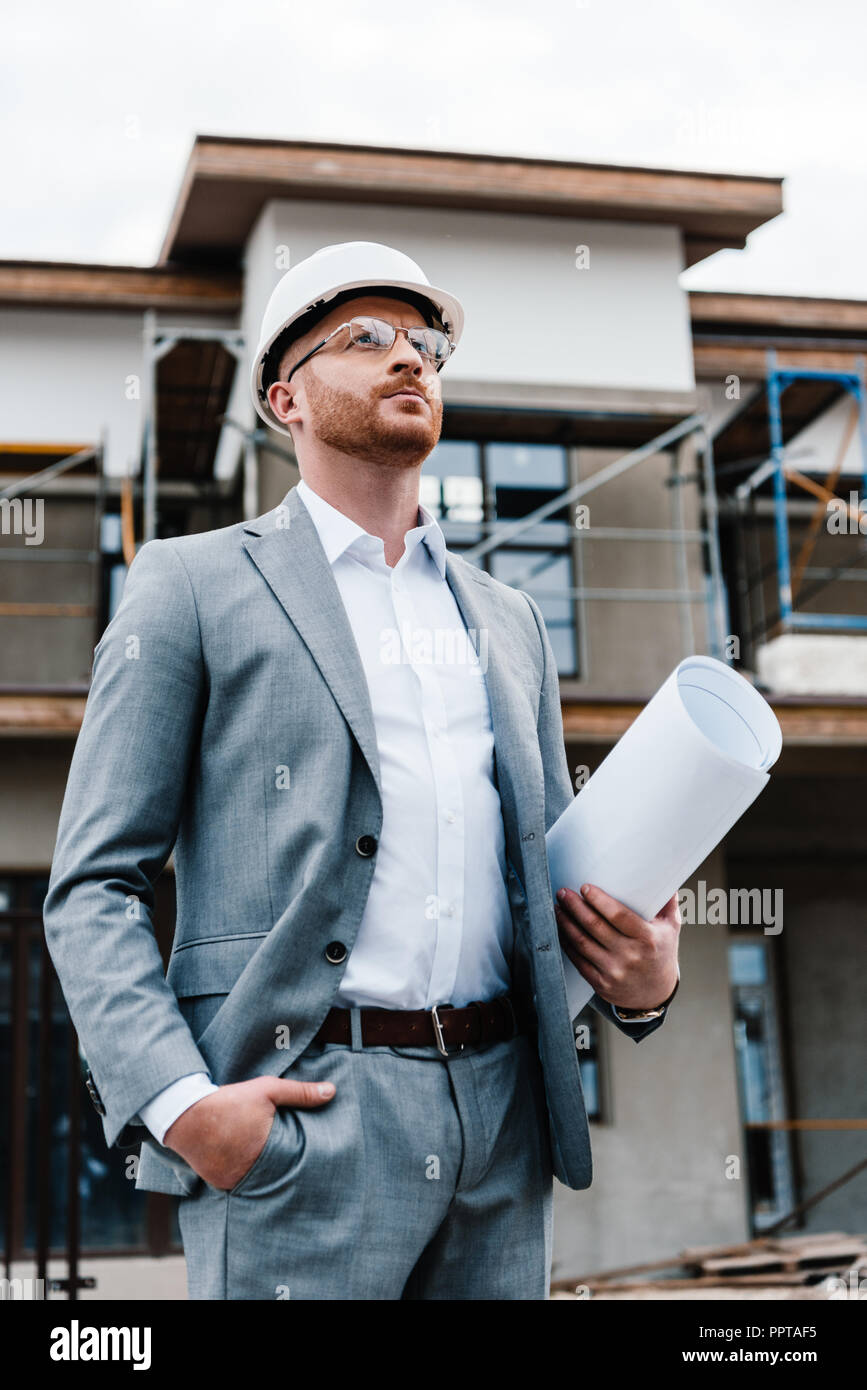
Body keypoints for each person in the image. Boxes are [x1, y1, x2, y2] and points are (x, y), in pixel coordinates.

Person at [43, 241, 680, 1300]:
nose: (410, 362)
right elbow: (93, 883)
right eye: (368, 339)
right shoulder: (190, 586)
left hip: (501, 1125)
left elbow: (550, 892)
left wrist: (644, 986)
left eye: (426, 345)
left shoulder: (509, 621)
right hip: (300, 1120)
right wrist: (184, 1105)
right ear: (286, 397)